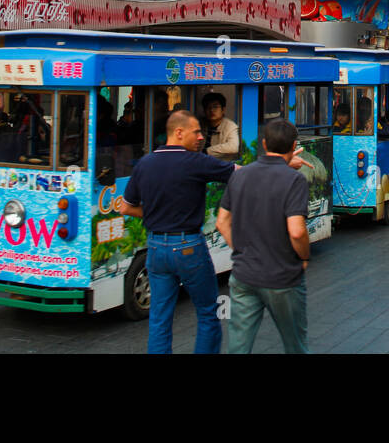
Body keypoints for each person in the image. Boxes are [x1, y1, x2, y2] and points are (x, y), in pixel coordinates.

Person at [117, 110, 236, 354]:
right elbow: (241, 173)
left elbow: (126, 206)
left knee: (159, 319)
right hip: (189, 247)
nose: (201, 137)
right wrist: (281, 162)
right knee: (208, 312)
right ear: (178, 133)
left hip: (156, 249)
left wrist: (153, 215)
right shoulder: (196, 161)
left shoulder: (145, 163)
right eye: (196, 132)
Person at [216, 117, 310, 354]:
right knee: (295, 345)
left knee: (238, 346)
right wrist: (304, 257)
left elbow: (222, 222)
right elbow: (297, 231)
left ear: (265, 144)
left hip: (244, 275)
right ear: (293, 146)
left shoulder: (239, 175)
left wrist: (240, 250)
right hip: (283, 277)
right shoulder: (294, 180)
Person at [202, 92, 240, 162]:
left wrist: (207, 151)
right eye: (208, 107)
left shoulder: (230, 126)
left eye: (215, 107)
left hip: (221, 167)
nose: (211, 110)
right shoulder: (199, 124)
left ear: (223, 109)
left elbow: (233, 147)